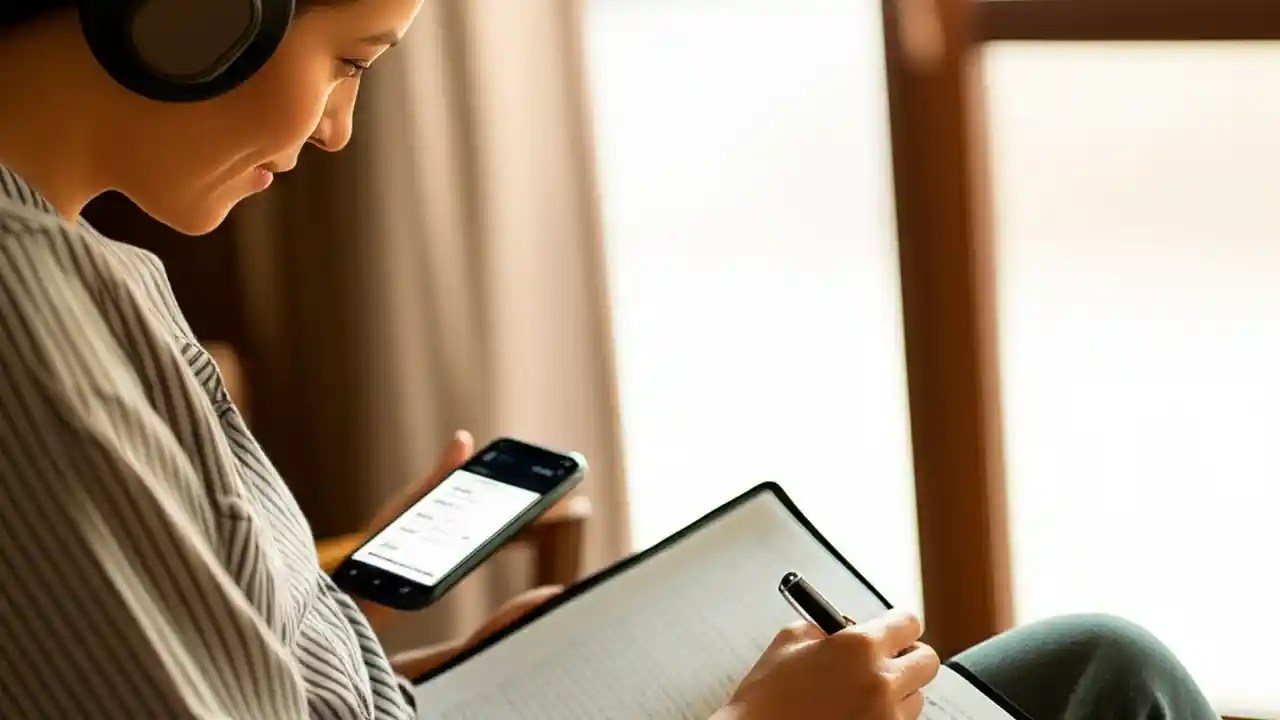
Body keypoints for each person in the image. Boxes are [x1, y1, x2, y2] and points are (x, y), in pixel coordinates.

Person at [0, 1, 1219, 719]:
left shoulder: (71, 271)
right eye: (350, 61)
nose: (337, 129)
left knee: (1096, 668)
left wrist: (436, 670)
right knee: (1107, 685)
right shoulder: (38, 331)